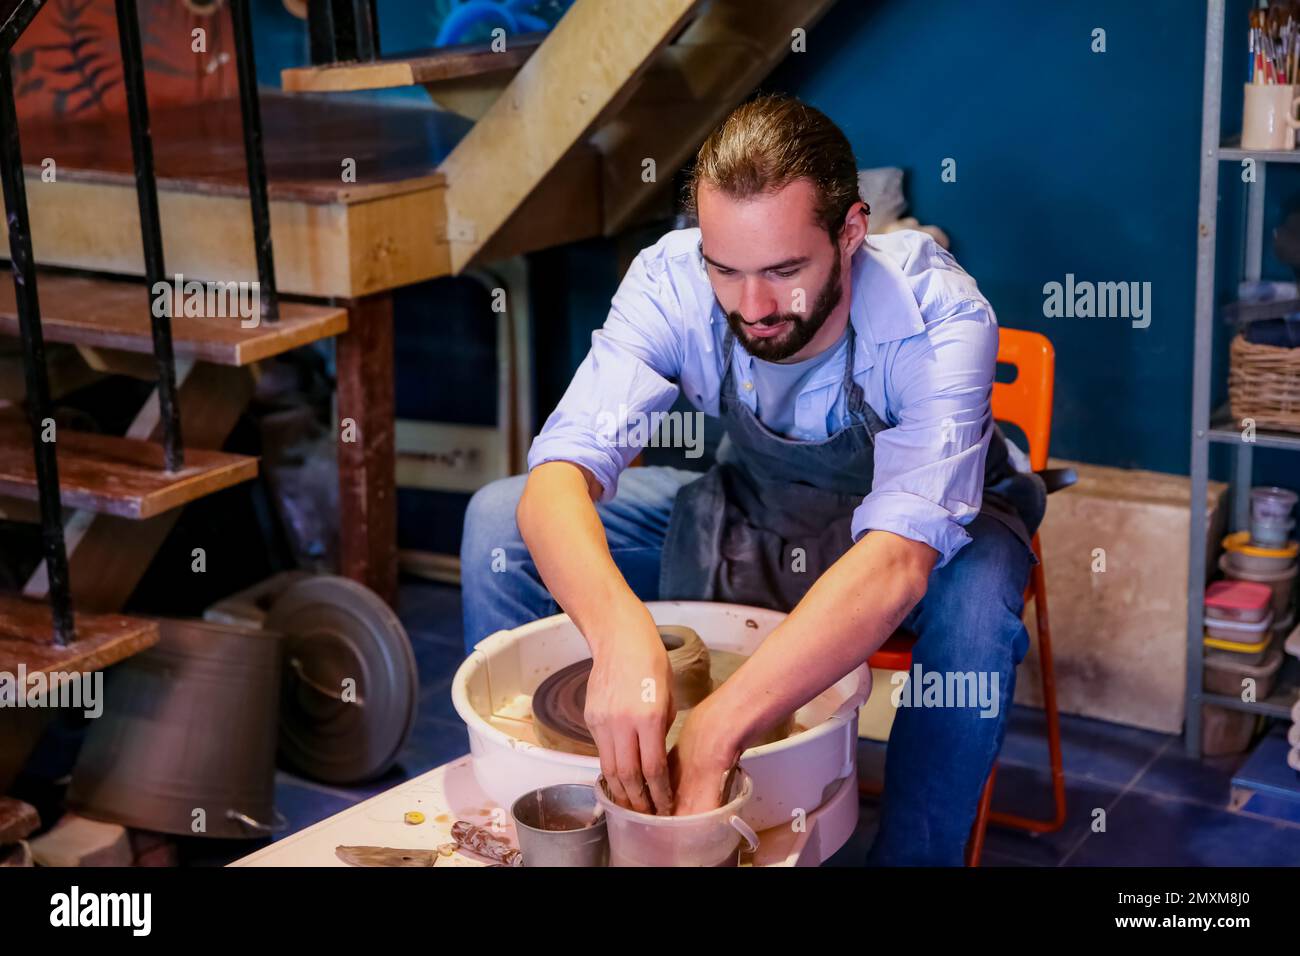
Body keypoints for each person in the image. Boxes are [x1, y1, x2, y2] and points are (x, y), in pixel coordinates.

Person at [460, 93, 1045, 865]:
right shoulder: (671, 281)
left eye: (785, 270)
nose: (754, 306)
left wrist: (716, 728)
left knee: (977, 607)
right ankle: (550, 817)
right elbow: (559, 475)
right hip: (762, 515)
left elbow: (897, 561)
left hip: (927, 548)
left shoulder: (940, 317)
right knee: (500, 516)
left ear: (852, 232)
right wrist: (618, 634)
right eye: (725, 270)